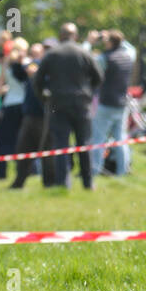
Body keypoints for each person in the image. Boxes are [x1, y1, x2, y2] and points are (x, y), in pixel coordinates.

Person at [34, 22, 102, 190]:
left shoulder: (52, 54)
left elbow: (37, 80)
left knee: (61, 145)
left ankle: (62, 183)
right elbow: (98, 77)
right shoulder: (84, 53)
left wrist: (44, 97)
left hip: (58, 104)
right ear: (76, 36)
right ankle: (88, 182)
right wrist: (89, 92)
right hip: (82, 104)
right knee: (84, 144)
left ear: (60, 36)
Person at [92, 30, 135, 177]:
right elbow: (131, 48)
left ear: (109, 42)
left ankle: (95, 170)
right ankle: (122, 171)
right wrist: (118, 38)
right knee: (121, 139)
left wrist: (94, 41)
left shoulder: (104, 58)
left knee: (98, 139)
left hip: (106, 103)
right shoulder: (129, 56)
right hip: (122, 103)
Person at [9, 42, 48, 189]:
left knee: (46, 151)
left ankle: (49, 183)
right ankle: (19, 182)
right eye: (32, 53)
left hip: (44, 116)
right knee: (23, 149)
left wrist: (33, 70)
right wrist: (17, 62)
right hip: (29, 115)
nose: (33, 56)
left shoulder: (46, 66)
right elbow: (18, 74)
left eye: (36, 53)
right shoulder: (30, 66)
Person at [0, 37, 29, 181]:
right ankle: (24, 170)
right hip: (22, 105)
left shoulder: (6, 63)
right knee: (22, 140)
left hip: (8, 105)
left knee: (4, 140)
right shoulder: (26, 62)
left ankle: (1, 173)